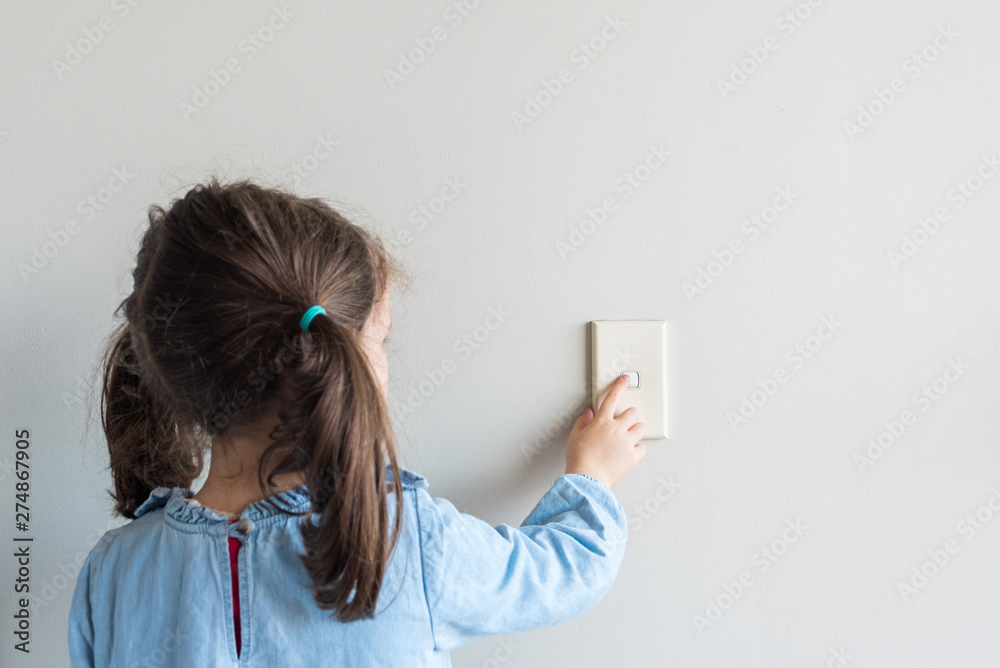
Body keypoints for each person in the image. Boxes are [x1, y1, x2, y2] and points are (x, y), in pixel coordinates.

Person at [67, 176, 646, 666]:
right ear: (344, 360)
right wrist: (591, 477)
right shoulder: (406, 540)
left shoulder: (111, 576)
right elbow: (559, 571)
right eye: (381, 338)